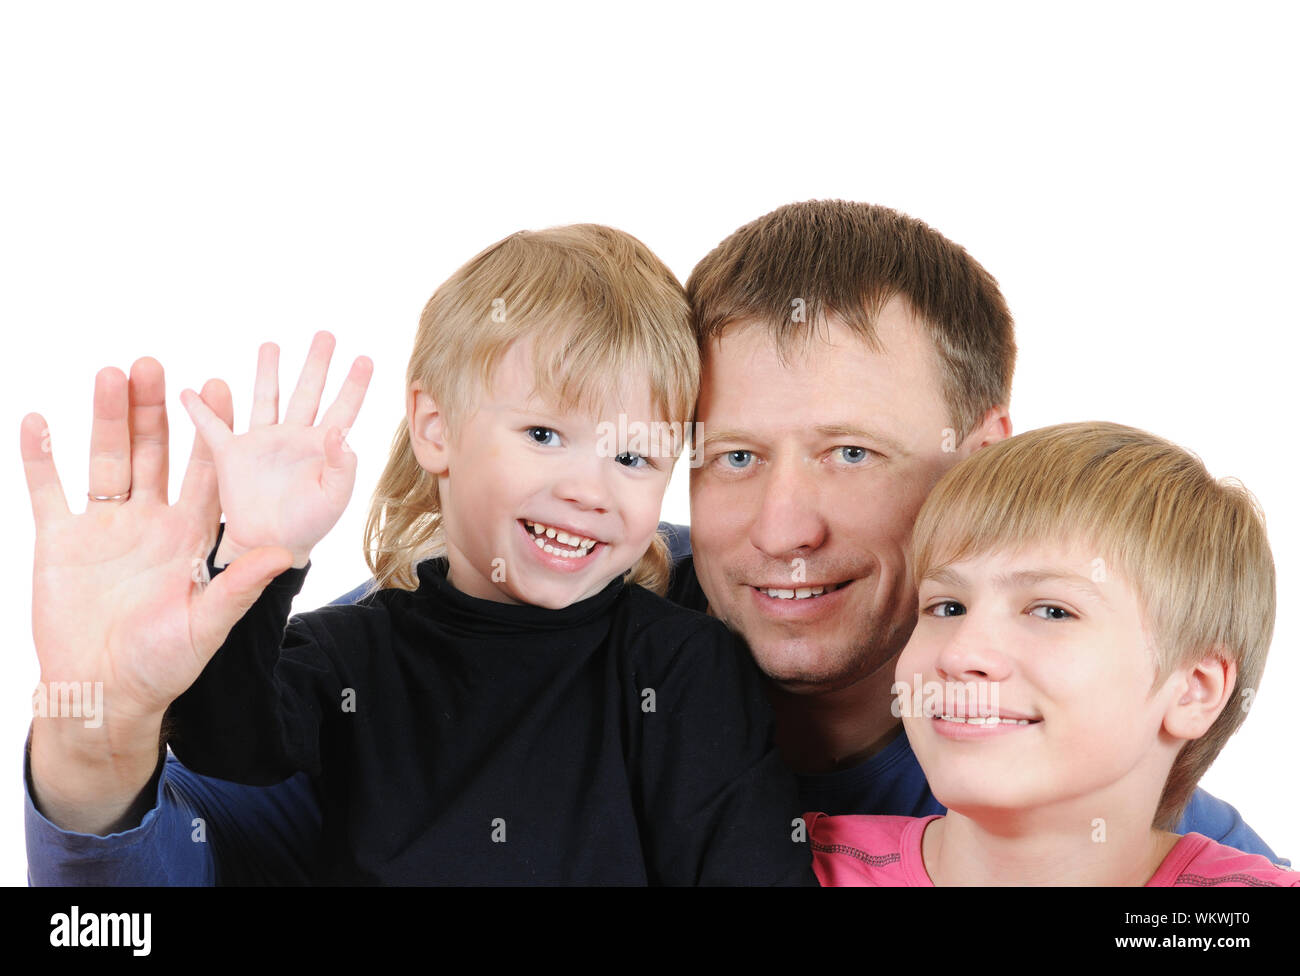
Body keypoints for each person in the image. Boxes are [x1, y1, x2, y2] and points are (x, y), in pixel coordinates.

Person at [23, 201, 1279, 884]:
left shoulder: (1102, 794)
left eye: (852, 451)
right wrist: (100, 724)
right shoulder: (475, 634)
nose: (783, 527)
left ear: (983, 458)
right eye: (729, 455)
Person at [25, 224, 814, 885]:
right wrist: (262, 556)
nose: (590, 490)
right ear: (437, 430)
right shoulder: (354, 655)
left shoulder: (685, 669)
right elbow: (228, 742)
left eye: (634, 458)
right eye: (544, 436)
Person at [807, 422, 1298, 886]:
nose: (960, 654)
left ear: (1194, 691)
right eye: (947, 606)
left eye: (1051, 612)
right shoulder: (781, 865)